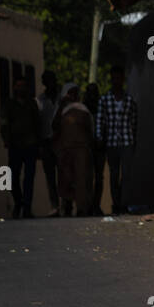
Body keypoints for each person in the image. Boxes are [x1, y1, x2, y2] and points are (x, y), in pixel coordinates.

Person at [96, 68, 137, 214]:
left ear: (122, 80)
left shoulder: (129, 100)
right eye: (114, 79)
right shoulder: (104, 100)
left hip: (126, 141)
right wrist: (100, 138)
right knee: (114, 174)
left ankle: (124, 203)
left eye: (119, 78)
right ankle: (116, 203)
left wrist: (133, 140)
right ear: (111, 80)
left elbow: (133, 121)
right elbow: (100, 121)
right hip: (112, 142)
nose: (117, 81)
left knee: (126, 175)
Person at [0, 77, 40, 218]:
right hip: (15, 145)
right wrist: (6, 139)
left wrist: (39, 144)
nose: (21, 89)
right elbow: (4, 123)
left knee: (29, 178)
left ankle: (27, 207)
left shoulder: (31, 104)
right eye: (18, 86)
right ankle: (19, 202)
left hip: (30, 145)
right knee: (12, 177)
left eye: (23, 86)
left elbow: (37, 124)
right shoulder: (9, 104)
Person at [52, 83, 94, 217]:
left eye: (75, 93)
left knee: (81, 178)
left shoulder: (83, 110)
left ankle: (82, 208)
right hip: (65, 149)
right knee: (65, 178)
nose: (73, 95)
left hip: (81, 149)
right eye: (70, 93)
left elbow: (90, 130)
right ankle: (67, 205)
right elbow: (54, 127)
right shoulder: (61, 110)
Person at [36, 70, 60, 215]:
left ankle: (66, 204)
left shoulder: (62, 99)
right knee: (50, 176)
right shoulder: (39, 101)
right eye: (47, 80)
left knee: (64, 174)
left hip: (60, 141)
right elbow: (37, 123)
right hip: (46, 142)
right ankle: (55, 205)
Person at [83, 82, 105, 215]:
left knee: (98, 177)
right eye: (90, 92)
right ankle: (87, 205)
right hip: (86, 147)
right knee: (87, 177)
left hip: (100, 147)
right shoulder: (83, 110)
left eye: (94, 93)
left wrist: (101, 140)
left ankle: (96, 204)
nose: (92, 96)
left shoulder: (102, 108)